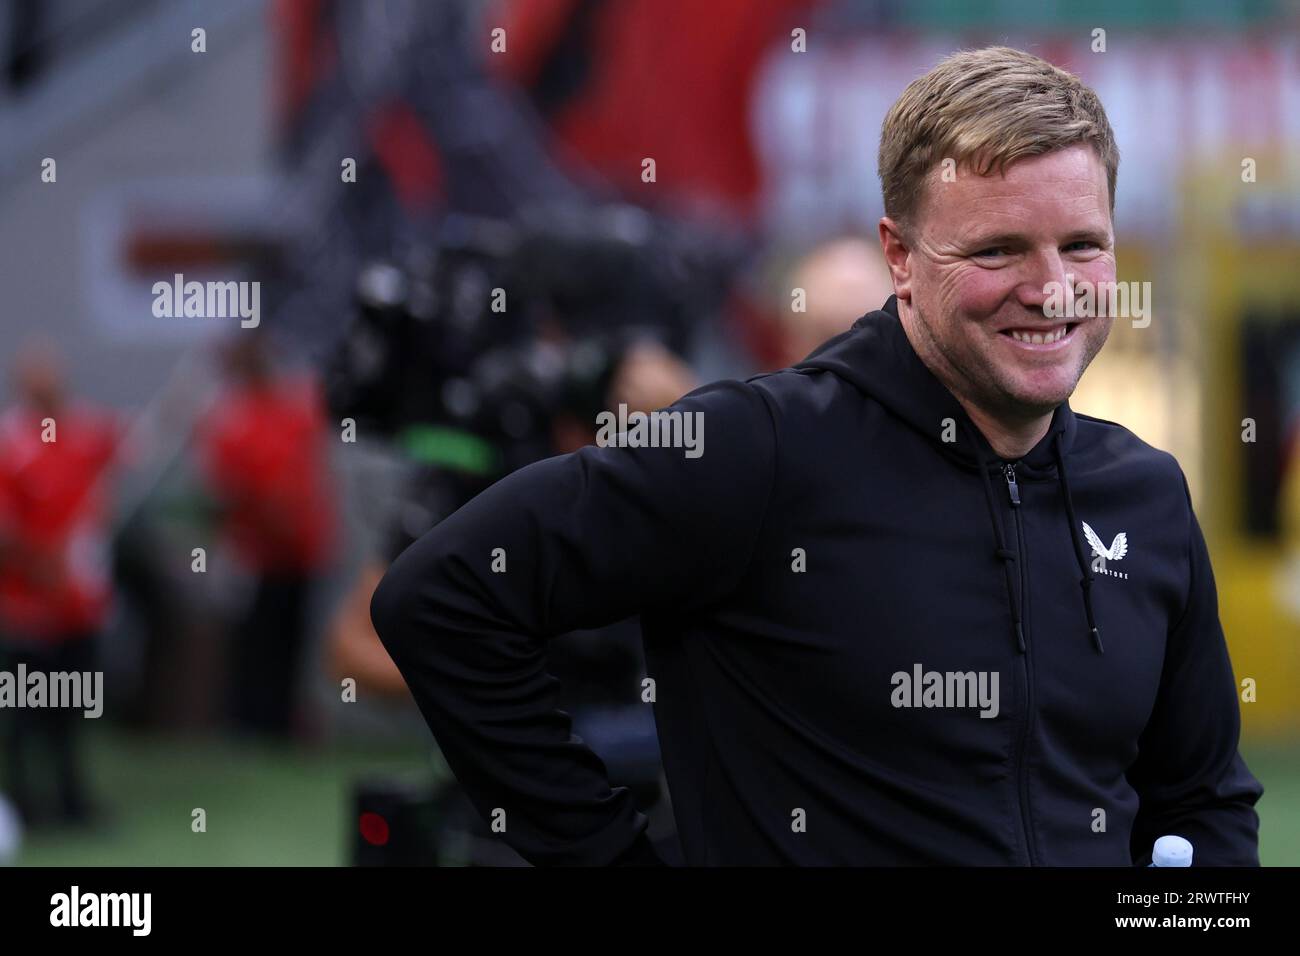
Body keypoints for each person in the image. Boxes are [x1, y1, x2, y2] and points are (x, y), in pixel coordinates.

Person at [369, 47, 1263, 865]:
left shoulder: (1142, 493)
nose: (1051, 288)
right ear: (900, 258)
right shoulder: (756, 449)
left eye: (1082, 246)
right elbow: (439, 599)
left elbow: (1204, 801)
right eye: (998, 250)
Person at [0, 342, 119, 826]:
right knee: (24, 713)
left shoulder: (80, 434)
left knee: (72, 710)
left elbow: (131, 445)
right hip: (25, 611)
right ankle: (24, 803)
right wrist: (39, 563)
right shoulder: (10, 444)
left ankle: (72, 801)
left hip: (76, 609)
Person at [197, 336, 337, 739]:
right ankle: (248, 721)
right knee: (253, 640)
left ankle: (281, 720)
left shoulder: (296, 407)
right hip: (256, 552)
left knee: (292, 638)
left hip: (302, 547)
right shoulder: (230, 417)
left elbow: (310, 473)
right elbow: (223, 489)